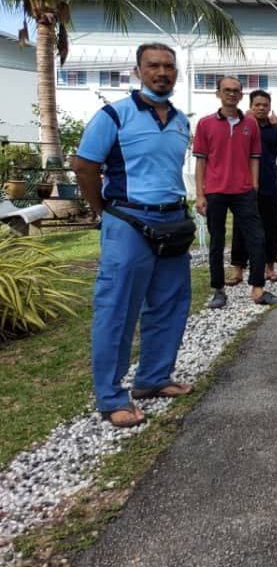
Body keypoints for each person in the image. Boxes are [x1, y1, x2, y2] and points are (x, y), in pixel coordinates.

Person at [73, 43, 194, 428]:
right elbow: (85, 166)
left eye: (169, 66)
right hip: (127, 221)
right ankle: (111, 397)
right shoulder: (114, 115)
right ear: (138, 70)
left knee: (170, 304)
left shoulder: (180, 120)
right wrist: (103, 212)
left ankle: (153, 379)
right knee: (117, 310)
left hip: (172, 222)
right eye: (153, 66)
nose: (162, 72)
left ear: (177, 72)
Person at [193, 77, 277, 309]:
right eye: (227, 90)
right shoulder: (205, 124)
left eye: (235, 91)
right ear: (218, 94)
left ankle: (258, 289)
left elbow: (255, 158)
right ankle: (218, 290)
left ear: (242, 95)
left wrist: (254, 187)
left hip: (244, 192)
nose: (231, 94)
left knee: (257, 238)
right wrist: (200, 195)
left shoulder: (250, 124)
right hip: (215, 191)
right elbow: (201, 161)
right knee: (217, 242)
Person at [230, 90, 277, 283]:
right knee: (241, 227)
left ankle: (269, 267)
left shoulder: (274, 128)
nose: (261, 108)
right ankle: (238, 268)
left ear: (270, 107)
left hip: (270, 183)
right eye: (257, 105)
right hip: (244, 185)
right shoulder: (242, 126)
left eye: (265, 105)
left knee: (270, 226)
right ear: (251, 106)